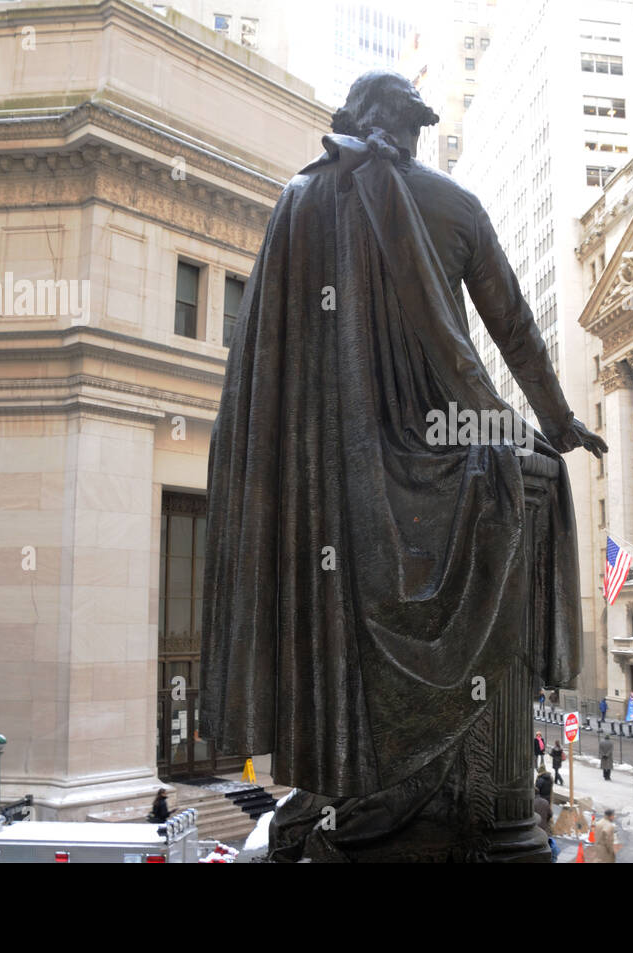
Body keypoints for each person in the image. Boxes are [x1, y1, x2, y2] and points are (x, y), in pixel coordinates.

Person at [199, 70, 606, 862]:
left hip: (337, 476)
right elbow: (515, 328)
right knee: (530, 475)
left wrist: (293, 475)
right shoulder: (453, 204)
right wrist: (555, 425)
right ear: (412, 128)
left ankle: (349, 773)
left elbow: (265, 372)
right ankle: (479, 791)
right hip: (452, 450)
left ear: (354, 119)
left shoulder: (301, 201)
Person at [533, 784, 558, 861]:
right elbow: (550, 814)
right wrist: (545, 821)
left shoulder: (531, 803)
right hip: (544, 830)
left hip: (534, 831)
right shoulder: (545, 802)